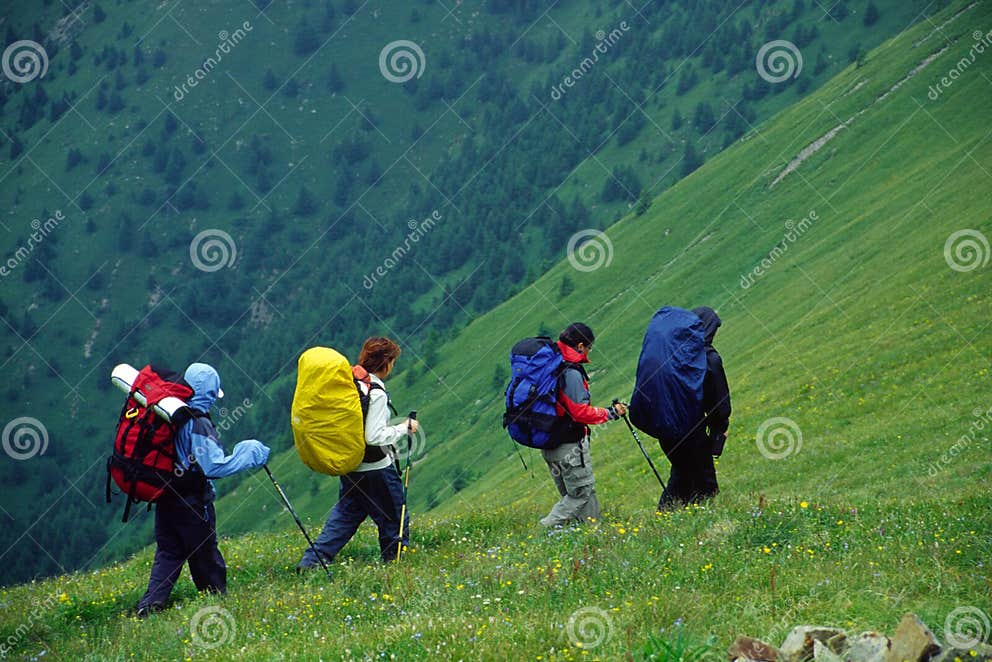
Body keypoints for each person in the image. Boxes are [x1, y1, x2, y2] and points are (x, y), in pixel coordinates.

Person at [136, 363, 270, 617]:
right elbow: (212, 466)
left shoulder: (170, 412)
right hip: (192, 502)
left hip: (165, 496)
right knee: (205, 552)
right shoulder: (198, 423)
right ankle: (218, 602)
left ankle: (150, 605)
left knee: (168, 553)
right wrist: (249, 454)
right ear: (209, 393)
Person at [297, 336, 418, 570]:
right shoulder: (376, 392)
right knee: (394, 517)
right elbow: (374, 436)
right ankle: (395, 565)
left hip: (351, 466)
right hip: (377, 470)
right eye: (392, 361)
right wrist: (404, 428)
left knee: (346, 516)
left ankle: (312, 561)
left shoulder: (350, 384)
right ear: (386, 363)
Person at [540, 323, 626, 527]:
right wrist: (611, 413)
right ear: (580, 346)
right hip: (569, 446)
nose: (588, 352)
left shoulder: (551, 361)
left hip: (549, 444)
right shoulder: (570, 371)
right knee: (580, 494)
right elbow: (579, 413)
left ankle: (593, 534)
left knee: (580, 493)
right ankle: (545, 527)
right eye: (589, 348)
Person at [657, 306, 731, 509]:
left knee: (681, 473)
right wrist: (720, 428)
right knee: (705, 483)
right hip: (692, 428)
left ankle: (666, 515)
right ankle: (699, 519)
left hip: (666, 429)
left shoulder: (673, 354)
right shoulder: (708, 359)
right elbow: (719, 401)